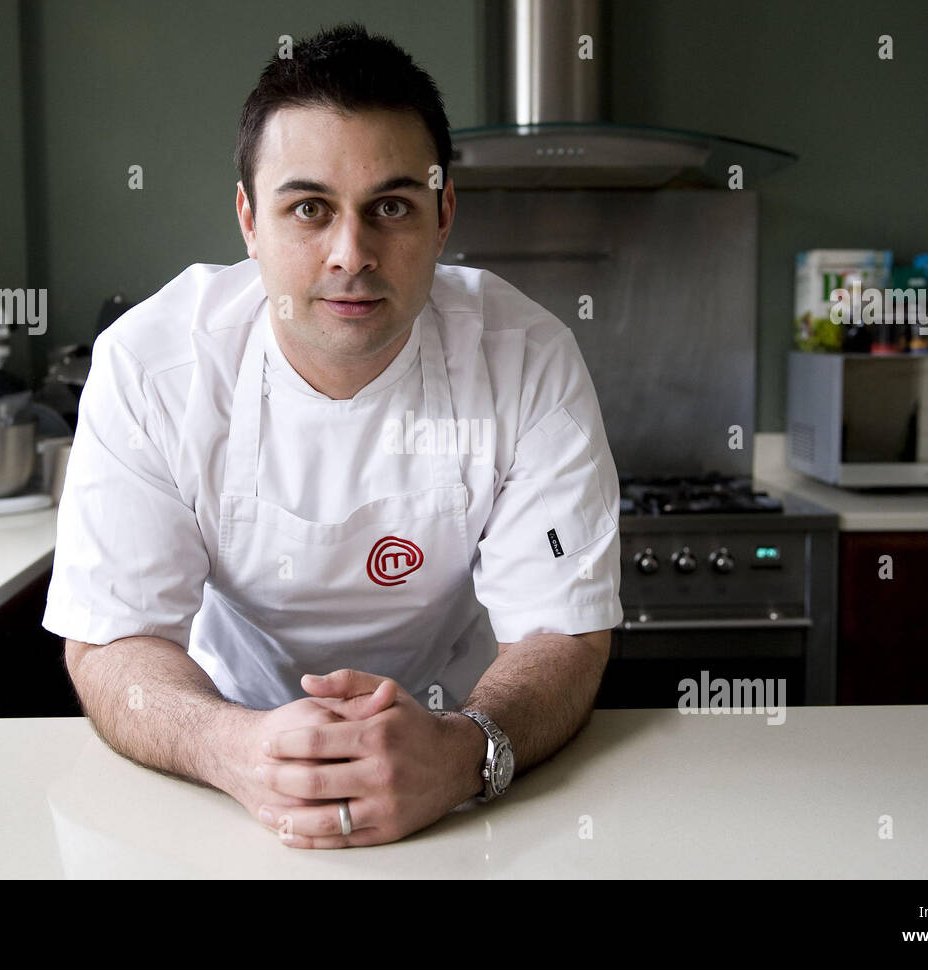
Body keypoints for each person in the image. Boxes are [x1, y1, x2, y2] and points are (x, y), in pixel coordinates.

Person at [42, 21, 622, 849]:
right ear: (248, 220)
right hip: (221, 764)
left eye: (391, 206)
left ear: (443, 213)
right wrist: (233, 747)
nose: (352, 254)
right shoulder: (151, 367)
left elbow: (563, 636)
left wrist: (467, 752)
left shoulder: (527, 360)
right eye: (309, 208)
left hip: (460, 752)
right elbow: (114, 640)